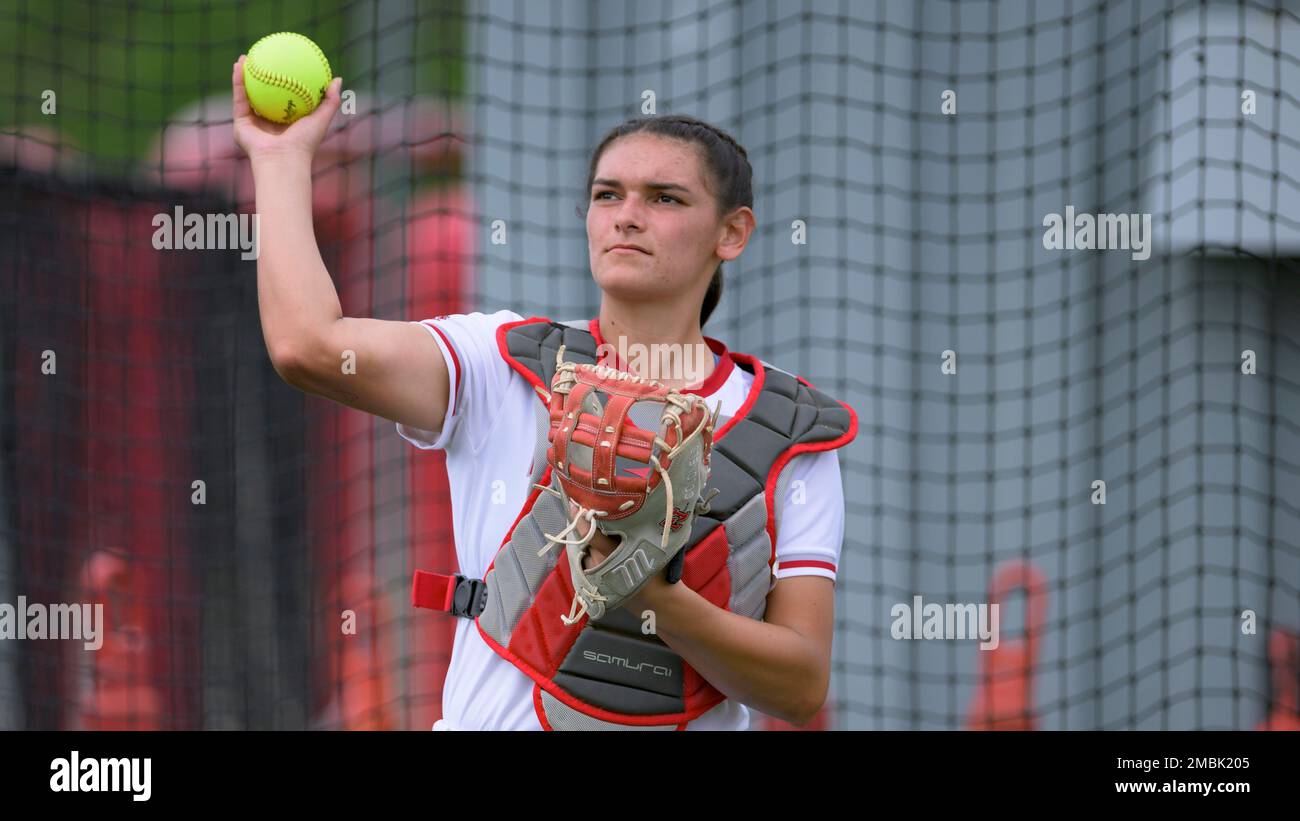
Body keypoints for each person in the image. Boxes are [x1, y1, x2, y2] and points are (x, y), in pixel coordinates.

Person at [232, 55, 856, 730]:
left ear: (732, 233)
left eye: (665, 198)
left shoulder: (791, 432)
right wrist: (280, 158)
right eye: (608, 195)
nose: (627, 217)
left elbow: (800, 685)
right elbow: (308, 346)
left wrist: (655, 598)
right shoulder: (502, 364)